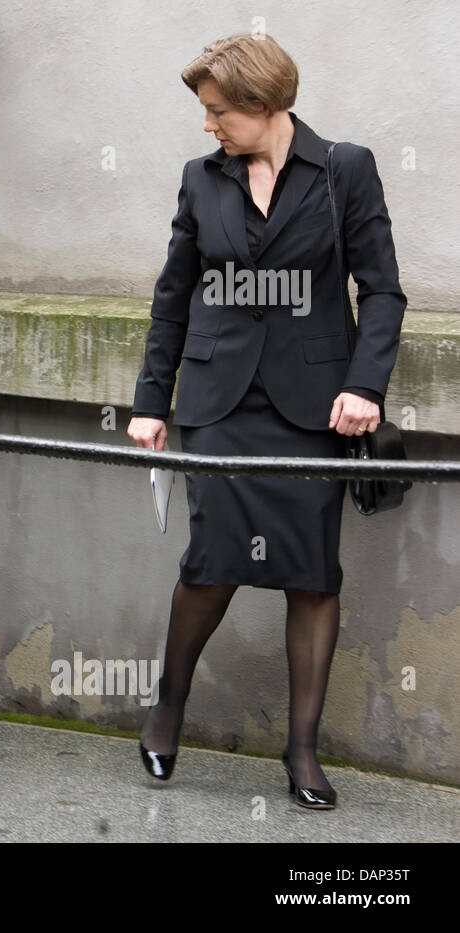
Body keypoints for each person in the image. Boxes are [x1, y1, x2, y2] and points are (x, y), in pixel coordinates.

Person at [127, 34, 406, 809]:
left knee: (313, 574)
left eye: (218, 113)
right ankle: (168, 708)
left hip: (314, 408)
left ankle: (304, 750)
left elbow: (381, 290)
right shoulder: (201, 178)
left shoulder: (344, 169)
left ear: (262, 105)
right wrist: (152, 401)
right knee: (211, 559)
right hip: (218, 404)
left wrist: (364, 385)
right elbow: (172, 294)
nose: (208, 126)